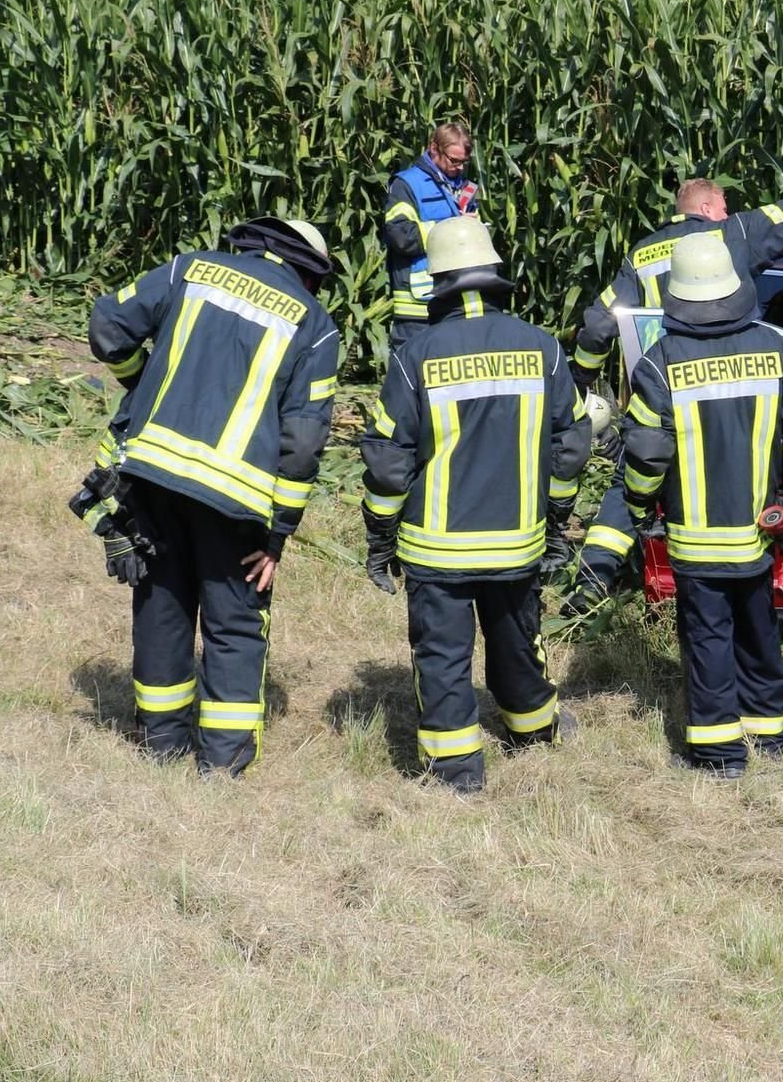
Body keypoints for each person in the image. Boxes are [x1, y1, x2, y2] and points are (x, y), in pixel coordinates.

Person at [86, 216, 342, 773]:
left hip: (150, 475)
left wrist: (144, 378)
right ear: (310, 271)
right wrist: (278, 534)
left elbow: (108, 324)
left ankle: (162, 742)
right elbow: (302, 443)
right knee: (233, 622)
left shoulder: (190, 268)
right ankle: (222, 764)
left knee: (162, 603)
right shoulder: (316, 325)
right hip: (236, 498)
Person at [359, 216, 592, 793]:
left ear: (436, 283)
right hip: (518, 538)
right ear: (493, 277)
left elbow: (390, 461)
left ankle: (455, 771)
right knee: (518, 637)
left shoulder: (417, 356)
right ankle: (534, 731)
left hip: (437, 547)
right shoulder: (542, 347)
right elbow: (571, 445)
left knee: (441, 653)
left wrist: (379, 537)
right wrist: (557, 520)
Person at [563, 178, 783, 611]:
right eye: (726, 205)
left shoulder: (641, 254)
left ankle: (592, 579)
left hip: (662, 387)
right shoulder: (731, 234)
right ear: (711, 206)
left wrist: (579, 380)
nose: (729, 212)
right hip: (735, 387)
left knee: (632, 478)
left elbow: (601, 323)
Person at [620, 235, 783, 778]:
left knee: (708, 636)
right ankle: (768, 731)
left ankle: (718, 752)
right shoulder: (777, 350)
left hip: (695, 537)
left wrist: (639, 507)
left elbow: (646, 452)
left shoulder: (661, 363)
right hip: (759, 531)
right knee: (758, 624)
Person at [381, 122, 481, 357]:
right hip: (417, 308)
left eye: (463, 162)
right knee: (410, 375)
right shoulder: (406, 185)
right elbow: (400, 236)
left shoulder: (466, 188)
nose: (458, 168)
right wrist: (451, 230)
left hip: (457, 302)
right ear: (434, 149)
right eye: (453, 160)